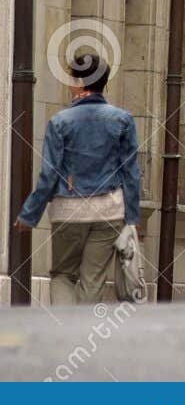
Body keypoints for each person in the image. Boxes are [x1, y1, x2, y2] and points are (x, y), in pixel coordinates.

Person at [14, 52, 141, 305]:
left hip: (69, 210)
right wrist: (132, 219)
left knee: (63, 274)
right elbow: (131, 173)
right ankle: (82, 334)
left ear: (79, 83)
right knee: (93, 279)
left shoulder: (60, 122)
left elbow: (49, 174)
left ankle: (64, 332)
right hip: (109, 210)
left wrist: (29, 214)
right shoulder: (122, 120)